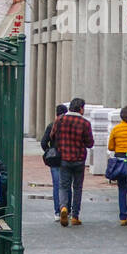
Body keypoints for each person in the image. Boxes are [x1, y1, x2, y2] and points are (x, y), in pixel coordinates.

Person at [51, 96, 94, 226]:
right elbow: (90, 143)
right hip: (79, 159)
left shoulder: (60, 120)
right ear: (80, 109)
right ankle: (75, 216)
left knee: (63, 186)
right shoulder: (85, 123)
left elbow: (52, 135)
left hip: (64, 158)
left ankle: (63, 208)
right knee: (77, 187)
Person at [40, 103, 68, 221]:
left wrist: (50, 151)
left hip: (55, 159)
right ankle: (67, 208)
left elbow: (43, 142)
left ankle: (57, 211)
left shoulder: (52, 125)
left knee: (57, 185)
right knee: (66, 185)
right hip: (67, 157)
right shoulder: (68, 126)